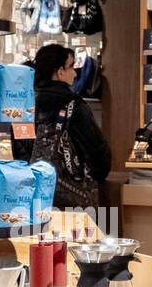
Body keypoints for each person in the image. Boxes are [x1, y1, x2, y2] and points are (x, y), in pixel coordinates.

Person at [17, 44, 111, 209]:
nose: (75, 74)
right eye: (71, 67)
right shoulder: (74, 106)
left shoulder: (23, 106)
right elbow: (97, 152)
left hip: (34, 198)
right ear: (59, 72)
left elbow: (19, 151)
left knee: (36, 235)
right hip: (74, 201)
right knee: (75, 234)